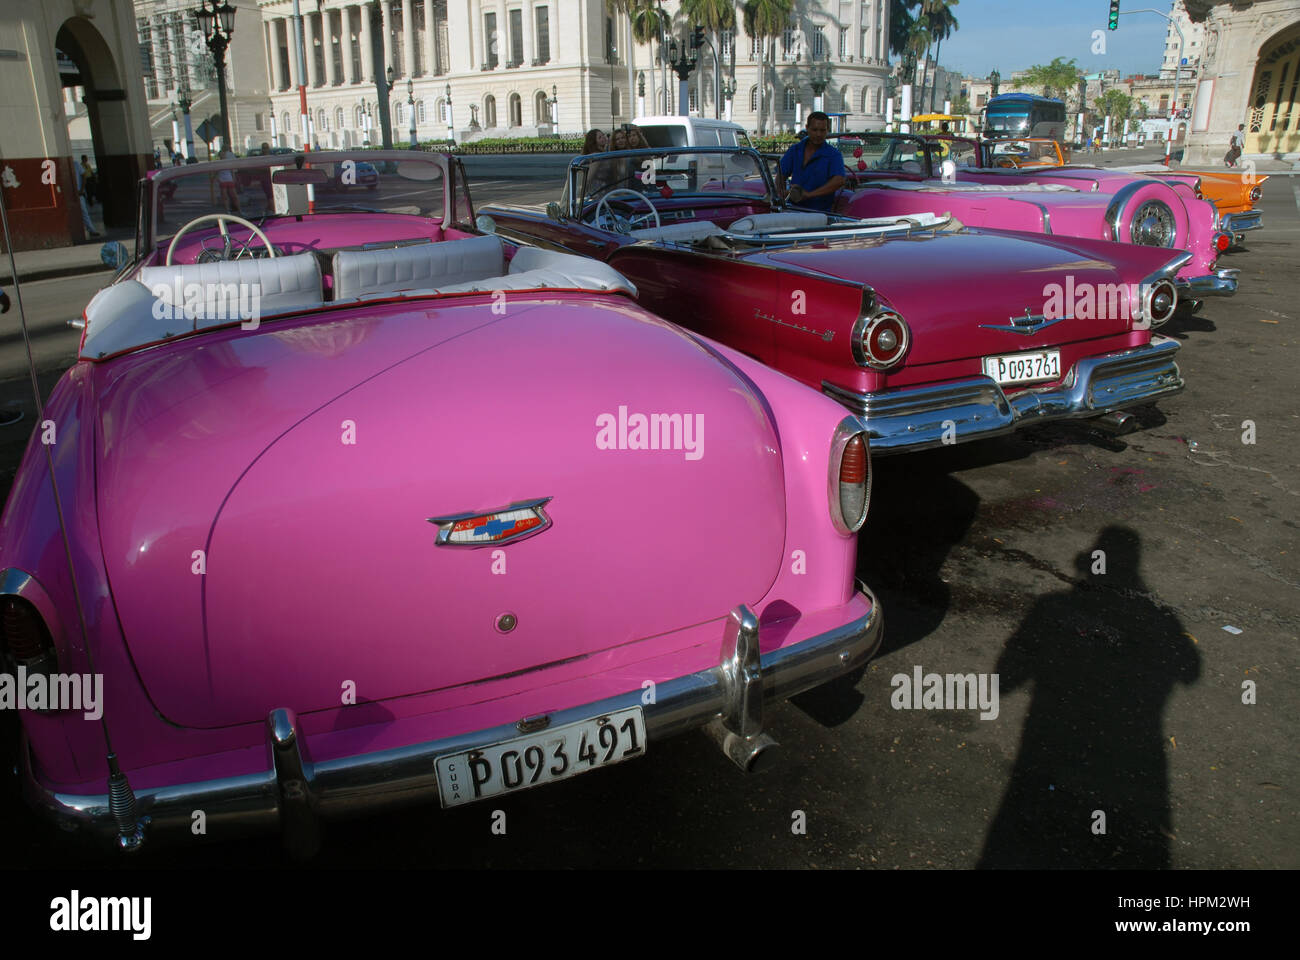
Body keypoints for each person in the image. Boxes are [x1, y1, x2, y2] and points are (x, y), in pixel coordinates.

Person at [776, 111, 845, 212]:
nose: (818, 134)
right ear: (807, 128)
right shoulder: (795, 150)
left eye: (822, 130)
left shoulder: (833, 155)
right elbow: (781, 174)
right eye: (814, 130)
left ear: (827, 130)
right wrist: (781, 192)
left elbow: (839, 180)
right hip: (792, 209)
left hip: (819, 213)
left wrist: (809, 195)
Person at [216, 148, 241, 213]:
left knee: (234, 196)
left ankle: (239, 210)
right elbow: (215, 173)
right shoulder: (217, 163)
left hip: (229, 180)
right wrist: (218, 180)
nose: (223, 156)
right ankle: (227, 210)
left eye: (224, 154)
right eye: (221, 155)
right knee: (225, 197)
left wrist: (234, 179)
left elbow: (232, 171)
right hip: (223, 180)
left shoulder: (228, 162)